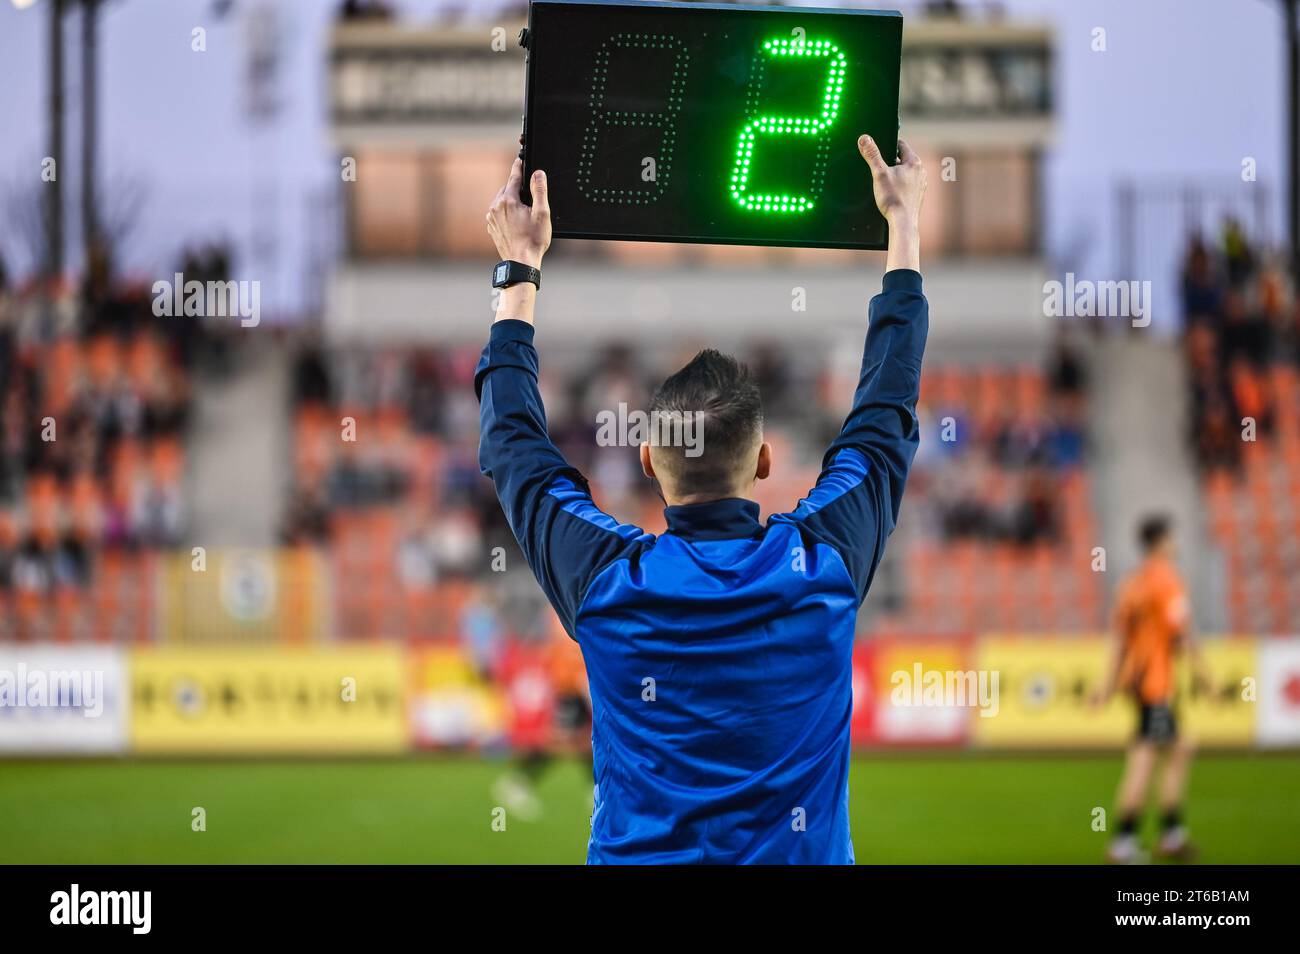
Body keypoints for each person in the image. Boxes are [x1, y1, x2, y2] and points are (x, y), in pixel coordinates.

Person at [476, 134, 928, 863]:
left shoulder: (606, 580)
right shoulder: (824, 562)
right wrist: (902, 226)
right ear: (766, 462)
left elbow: (513, 448)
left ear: (649, 461)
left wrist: (518, 270)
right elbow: (886, 414)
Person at [1094, 515, 1211, 864]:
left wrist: (1108, 685)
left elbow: (1118, 639)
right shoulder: (1167, 580)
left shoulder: (1131, 584)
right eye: (1172, 538)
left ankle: (1166, 834)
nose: (1176, 544)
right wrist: (1205, 676)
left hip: (1137, 681)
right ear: (1160, 542)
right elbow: (1184, 633)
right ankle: (1130, 841)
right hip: (1155, 683)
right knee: (1148, 760)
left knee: (1174, 750)